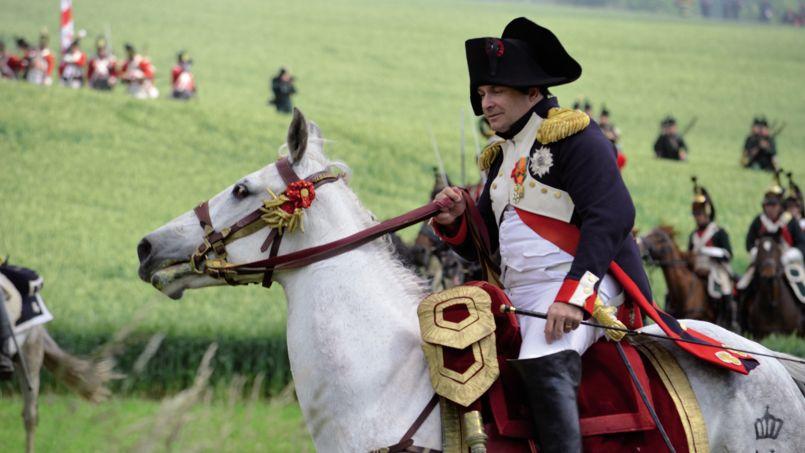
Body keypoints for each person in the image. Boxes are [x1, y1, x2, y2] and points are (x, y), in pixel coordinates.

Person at [431, 18, 755, 452]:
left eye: (497, 92)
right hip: (518, 294)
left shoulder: (572, 136)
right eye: (483, 93)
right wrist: (456, 220)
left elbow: (613, 215)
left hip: (585, 284)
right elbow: (487, 249)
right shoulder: (499, 157)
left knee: (543, 358)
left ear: (532, 92)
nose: (485, 102)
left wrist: (573, 296)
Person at [687, 177, 737, 331]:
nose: (698, 217)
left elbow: (728, 254)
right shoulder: (693, 235)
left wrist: (708, 251)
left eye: (700, 214)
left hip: (716, 267)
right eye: (696, 214)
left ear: (707, 213)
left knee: (723, 286)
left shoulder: (719, 232)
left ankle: (728, 319)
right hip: (696, 268)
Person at [598, 105, 626, 169]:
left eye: (605, 118)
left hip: (613, 146)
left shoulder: (611, 126)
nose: (604, 119)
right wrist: (606, 135)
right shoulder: (598, 126)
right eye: (602, 118)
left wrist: (613, 136)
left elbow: (618, 134)